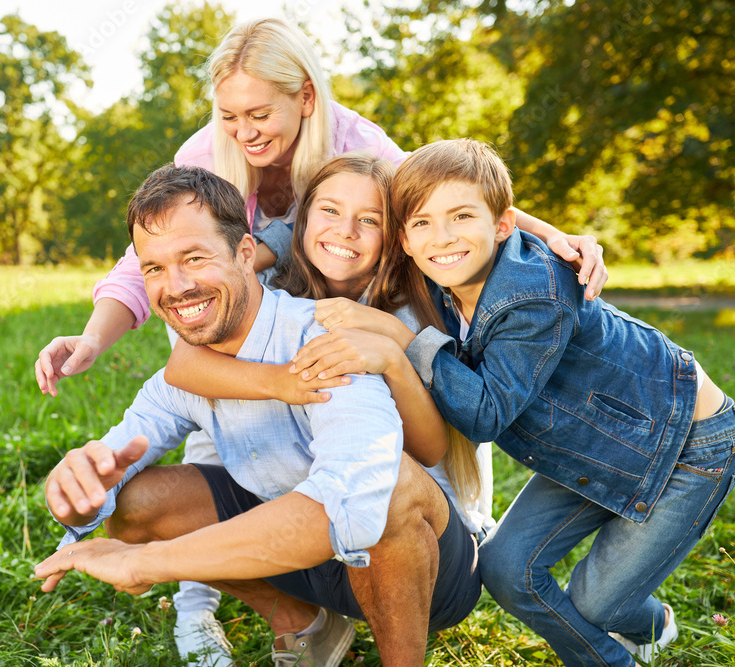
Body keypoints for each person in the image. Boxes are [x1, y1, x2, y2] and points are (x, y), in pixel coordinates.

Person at [34, 18, 603, 662]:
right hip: (301, 484)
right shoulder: (210, 167)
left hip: (419, 540)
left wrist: (547, 236)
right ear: (289, 234)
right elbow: (157, 280)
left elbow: (452, 196)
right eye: (229, 115)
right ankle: (302, 622)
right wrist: (79, 500)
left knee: (377, 486)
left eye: (259, 113)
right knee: (148, 490)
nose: (243, 130)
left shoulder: (363, 305)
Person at [293, 138, 735, 667]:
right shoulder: (442, 275)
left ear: (503, 225)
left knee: (595, 602)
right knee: (506, 569)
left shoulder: (533, 294)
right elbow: (445, 199)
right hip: (591, 445)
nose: (444, 237)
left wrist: (400, 338)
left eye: (461, 217)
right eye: (423, 224)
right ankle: (649, 624)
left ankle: (622, 633)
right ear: (404, 238)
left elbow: (485, 415)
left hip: (685, 440)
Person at [34, 164, 483, 667]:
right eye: (155, 269)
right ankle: (304, 625)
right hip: (307, 561)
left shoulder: (328, 341)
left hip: (425, 567)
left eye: (194, 258)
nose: (176, 286)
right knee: (136, 499)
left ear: (246, 254)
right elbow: (108, 472)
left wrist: (147, 564)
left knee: (390, 484)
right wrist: (74, 495)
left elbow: (350, 502)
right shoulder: (183, 374)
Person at [163, 151, 494, 539]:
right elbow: (183, 366)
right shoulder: (277, 289)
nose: (346, 231)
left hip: (425, 521)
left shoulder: (413, 313)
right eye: (330, 211)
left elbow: (431, 451)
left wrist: (393, 358)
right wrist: (286, 382)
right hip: (322, 500)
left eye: (369, 220)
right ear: (302, 220)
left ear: (397, 237)